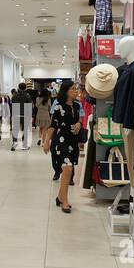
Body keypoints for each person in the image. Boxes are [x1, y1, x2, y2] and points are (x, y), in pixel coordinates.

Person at [48, 81, 84, 213]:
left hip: (72, 141)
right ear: (66, 91)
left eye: (76, 89)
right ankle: (65, 201)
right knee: (67, 169)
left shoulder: (77, 105)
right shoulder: (58, 106)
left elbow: (79, 120)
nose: (76, 91)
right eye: (73, 89)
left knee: (68, 170)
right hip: (61, 140)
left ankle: (59, 197)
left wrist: (79, 123)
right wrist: (47, 142)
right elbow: (53, 125)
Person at [34, 86, 53, 151]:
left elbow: (36, 106)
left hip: (39, 114)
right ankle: (43, 142)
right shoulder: (48, 99)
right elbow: (50, 108)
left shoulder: (37, 98)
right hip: (46, 114)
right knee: (45, 129)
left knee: (40, 128)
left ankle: (39, 138)